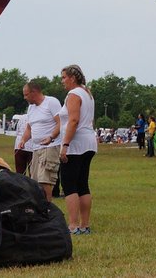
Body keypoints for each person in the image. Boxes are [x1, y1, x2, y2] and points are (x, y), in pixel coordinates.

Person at [58, 65, 98, 236]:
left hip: (76, 144)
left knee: (69, 184)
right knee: (82, 184)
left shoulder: (73, 94)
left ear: (72, 78)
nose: (62, 81)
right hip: (89, 142)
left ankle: (73, 225)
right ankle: (85, 225)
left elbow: (73, 120)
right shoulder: (87, 93)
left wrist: (65, 145)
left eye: (64, 77)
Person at [16, 81, 62, 201]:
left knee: (45, 181)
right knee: (35, 181)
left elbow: (60, 123)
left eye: (26, 95)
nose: (25, 98)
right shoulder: (31, 108)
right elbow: (29, 128)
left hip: (50, 147)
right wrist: (23, 140)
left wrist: (51, 137)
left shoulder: (51, 102)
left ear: (34, 92)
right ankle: (39, 209)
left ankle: (47, 210)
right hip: (35, 149)